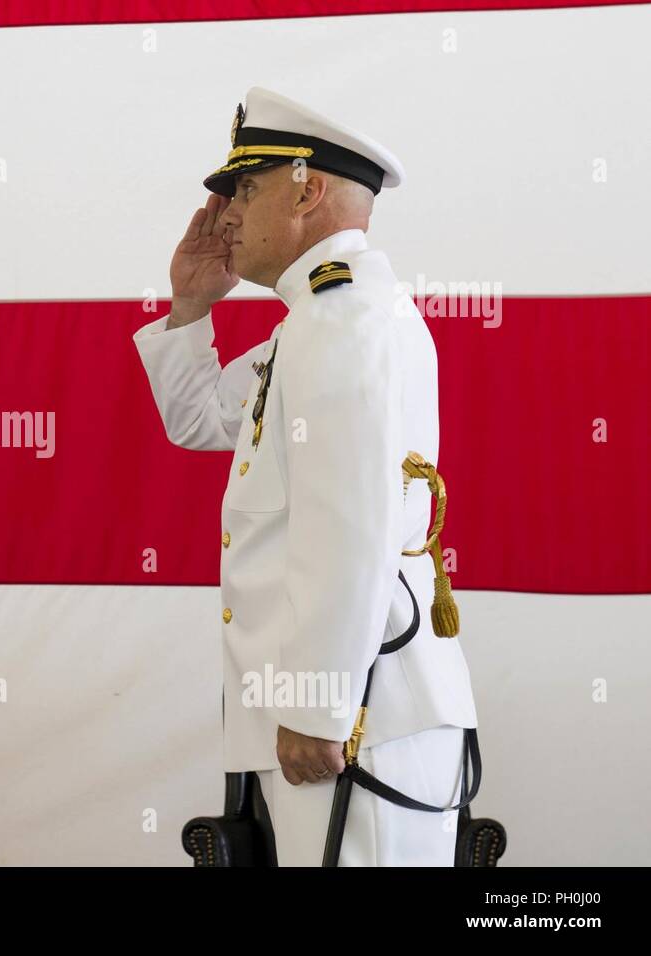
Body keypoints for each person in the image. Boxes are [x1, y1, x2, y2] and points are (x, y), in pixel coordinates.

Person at [134, 87, 478, 865]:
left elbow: (348, 525)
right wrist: (191, 307)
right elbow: (199, 421)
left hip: (357, 724)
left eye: (243, 190)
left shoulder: (345, 321)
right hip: (345, 719)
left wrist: (319, 707)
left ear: (308, 189)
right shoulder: (319, 319)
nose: (224, 215)